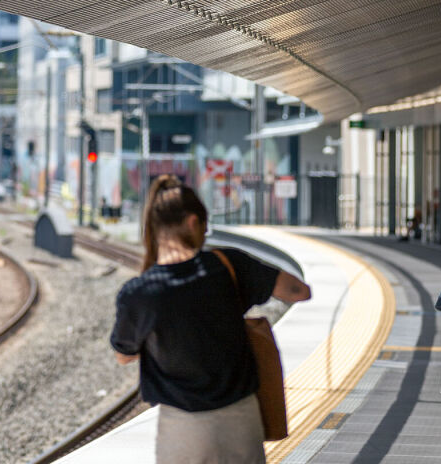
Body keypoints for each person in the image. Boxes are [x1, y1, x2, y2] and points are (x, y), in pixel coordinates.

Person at [110, 175, 311, 463]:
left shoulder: (139, 293)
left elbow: (123, 355)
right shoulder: (228, 265)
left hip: (182, 431)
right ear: (193, 223)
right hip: (241, 421)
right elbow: (298, 291)